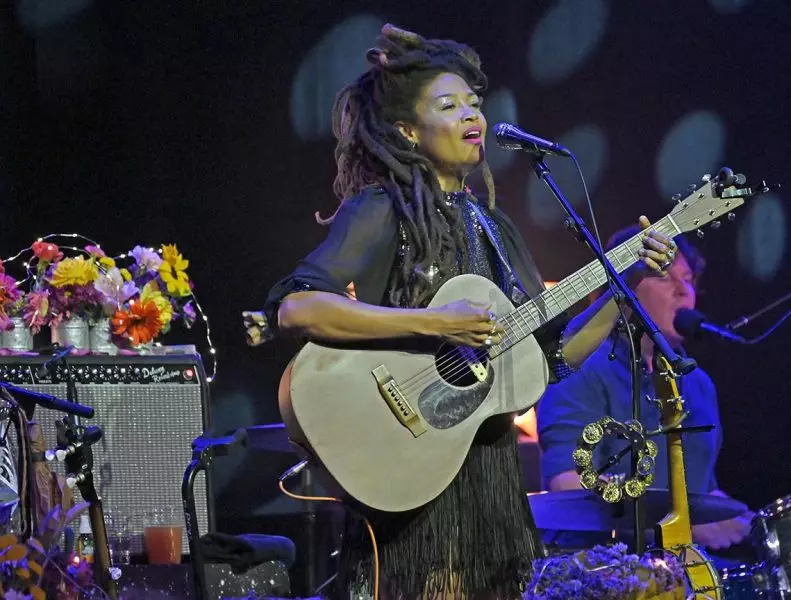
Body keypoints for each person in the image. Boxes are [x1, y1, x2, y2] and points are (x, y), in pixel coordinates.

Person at [255, 24, 677, 599]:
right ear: (407, 130)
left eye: (474, 104)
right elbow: (298, 309)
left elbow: (550, 359)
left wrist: (624, 284)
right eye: (448, 105)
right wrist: (434, 322)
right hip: (412, 468)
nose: (470, 115)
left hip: (492, 481)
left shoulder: (496, 227)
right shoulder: (384, 210)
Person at [536, 226, 752, 554]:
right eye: (665, 277)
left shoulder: (699, 385)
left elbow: (700, 492)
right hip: (602, 572)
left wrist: (757, 523)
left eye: (689, 278)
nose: (684, 291)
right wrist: (680, 521)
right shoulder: (581, 370)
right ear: (625, 288)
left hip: (684, 571)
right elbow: (567, 483)